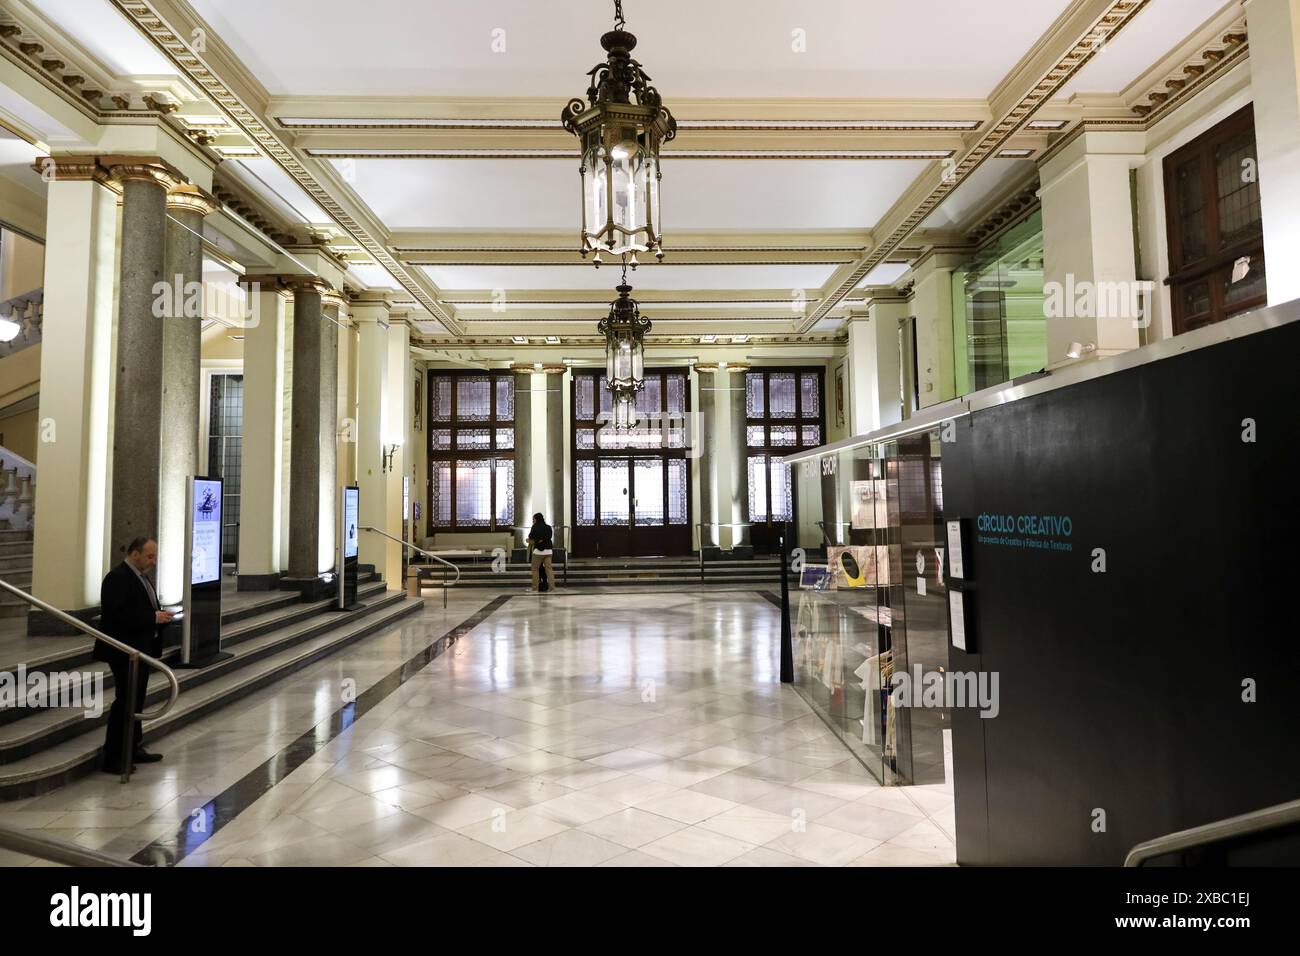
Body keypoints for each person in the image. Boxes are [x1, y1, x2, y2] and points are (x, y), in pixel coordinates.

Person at [95, 536, 171, 773]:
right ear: (134, 553)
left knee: (136, 700)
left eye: (155, 556)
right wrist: (152, 618)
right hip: (123, 651)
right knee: (125, 701)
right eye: (149, 556)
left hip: (141, 650)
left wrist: (159, 617)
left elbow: (143, 608)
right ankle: (113, 755)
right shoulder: (117, 578)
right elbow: (116, 616)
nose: (153, 561)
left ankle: (132, 747)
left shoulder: (141, 577)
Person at [526, 513, 557, 594]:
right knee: (549, 570)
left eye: (533, 519)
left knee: (535, 570)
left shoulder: (535, 527)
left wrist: (536, 540)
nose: (533, 521)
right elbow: (549, 537)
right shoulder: (548, 527)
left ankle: (535, 588)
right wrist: (541, 540)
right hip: (549, 551)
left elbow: (531, 536)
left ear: (536, 519)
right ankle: (552, 588)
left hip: (538, 552)